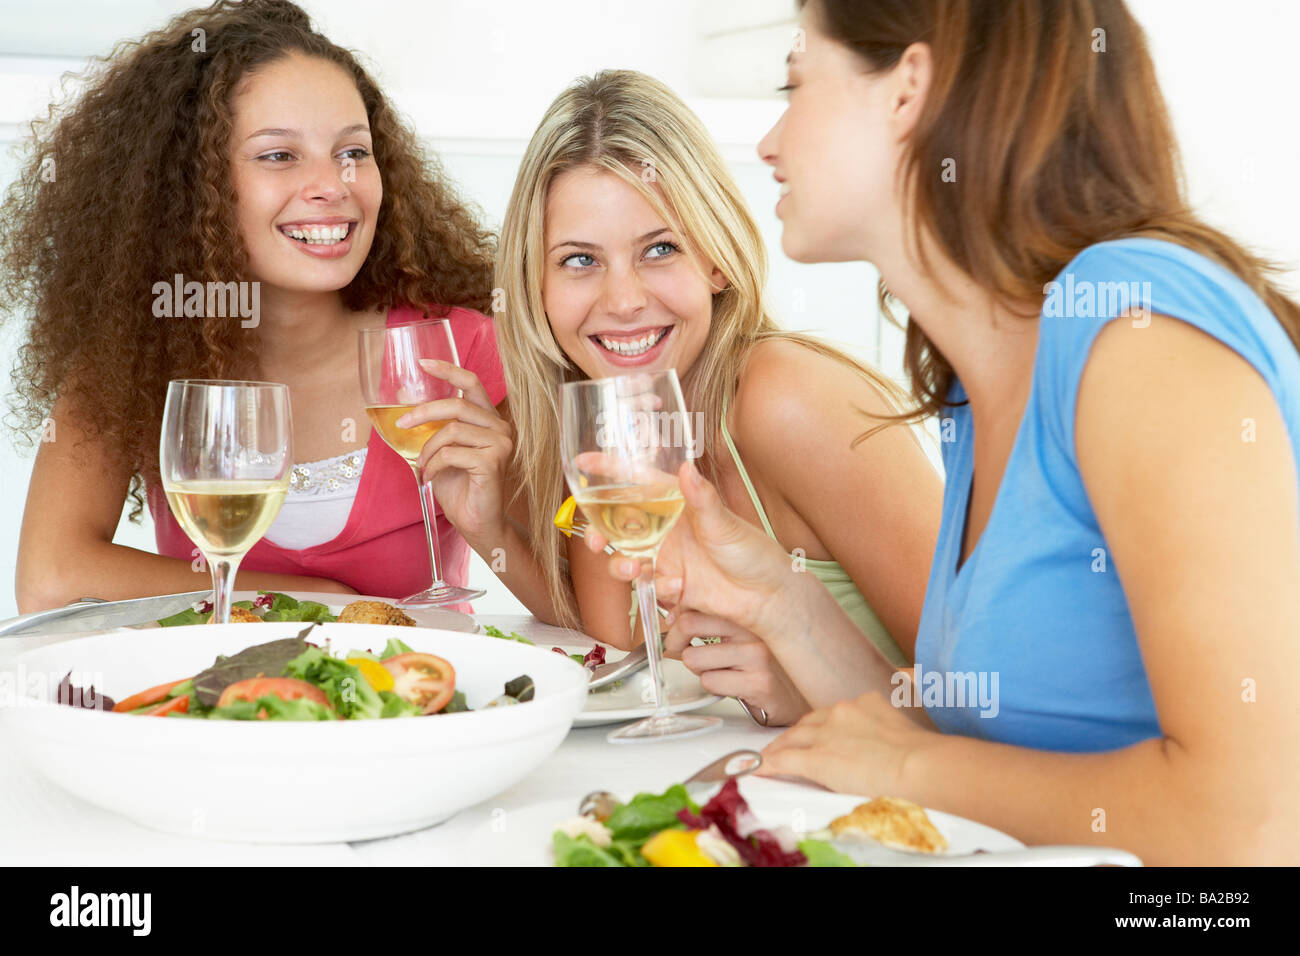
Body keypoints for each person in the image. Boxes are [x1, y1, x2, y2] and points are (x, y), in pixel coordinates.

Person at [589, 0, 1300, 864]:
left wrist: (913, 766)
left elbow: (1252, 823)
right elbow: (1003, 755)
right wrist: (778, 600)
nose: (770, 142)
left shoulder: (1135, 332)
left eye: (796, 82)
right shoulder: (978, 380)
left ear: (906, 90)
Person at [400, 69, 942, 725]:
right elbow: (618, 650)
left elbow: (988, 700)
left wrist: (815, 697)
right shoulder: (604, 420)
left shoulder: (789, 401)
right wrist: (486, 530)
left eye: (659, 249)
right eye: (579, 260)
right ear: (535, 283)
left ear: (715, 259)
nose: (623, 300)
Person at [2, 0, 508, 609]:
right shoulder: (134, 354)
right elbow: (52, 579)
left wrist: (496, 525)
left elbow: (580, 592)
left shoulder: (456, 347)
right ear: (190, 186)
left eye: (353, 152)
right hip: (224, 700)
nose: (333, 185)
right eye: (278, 155)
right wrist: (321, 598)